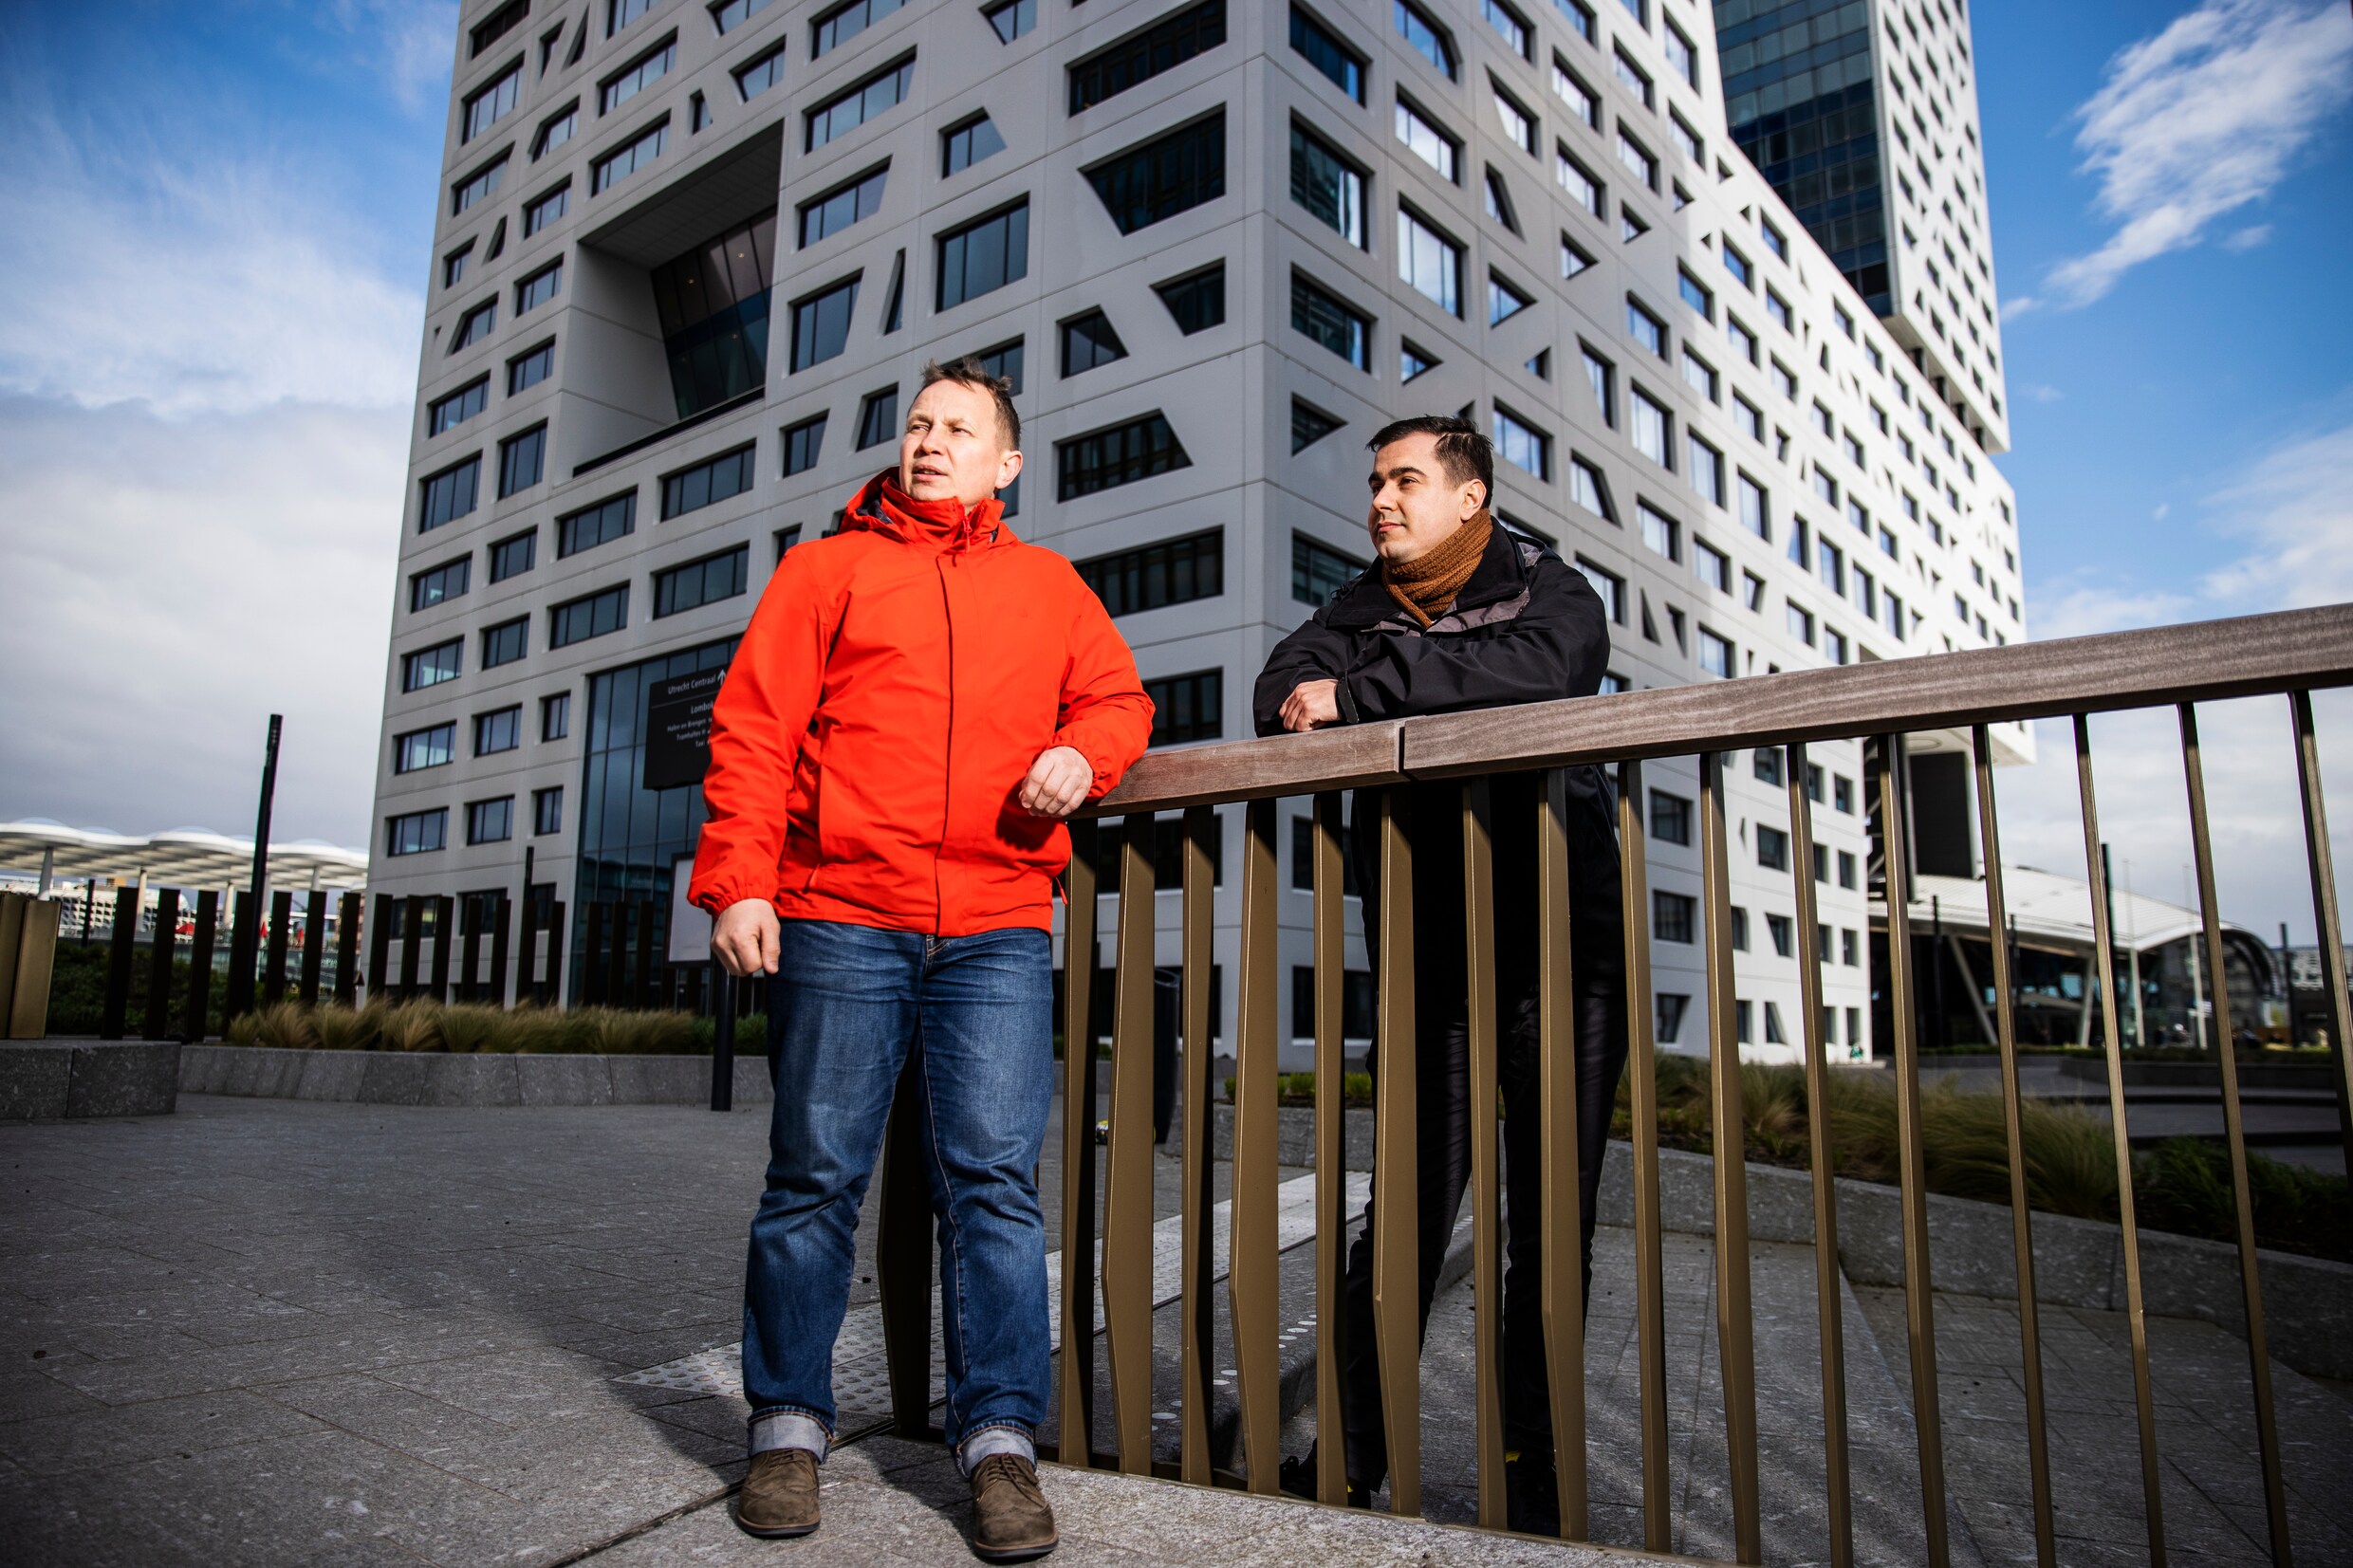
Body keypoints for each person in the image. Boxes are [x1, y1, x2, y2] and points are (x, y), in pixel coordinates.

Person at [692, 357, 1155, 1561]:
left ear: (1007, 462)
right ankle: (786, 1429)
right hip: (842, 910)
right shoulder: (825, 570)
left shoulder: (1049, 586)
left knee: (993, 1187)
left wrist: (1082, 757)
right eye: (916, 424)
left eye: (958, 428)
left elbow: (1118, 701)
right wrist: (739, 880)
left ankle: (999, 1441)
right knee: (813, 1178)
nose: (928, 441)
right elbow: (752, 729)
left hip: (998, 921)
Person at [1252, 415, 1628, 1533]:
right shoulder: (1352, 604)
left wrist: (1368, 692)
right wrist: (1403, 679)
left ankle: (1537, 1476)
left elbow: (1548, 669)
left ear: (1468, 499)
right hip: (1428, 962)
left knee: (1546, 1231)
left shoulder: (1546, 586)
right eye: (1374, 482)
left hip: (1566, 960)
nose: (1379, 498)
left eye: (1403, 479)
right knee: (1401, 1223)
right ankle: (1354, 1458)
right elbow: (1277, 691)